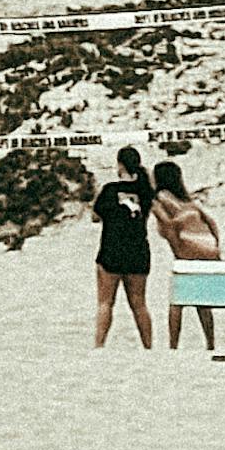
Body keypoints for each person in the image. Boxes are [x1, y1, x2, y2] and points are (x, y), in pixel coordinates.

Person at [149, 155, 221, 355]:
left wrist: (179, 252)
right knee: (202, 300)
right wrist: (217, 248)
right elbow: (212, 222)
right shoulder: (189, 201)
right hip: (208, 245)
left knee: (177, 299)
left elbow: (170, 227)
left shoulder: (163, 197)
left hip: (190, 247)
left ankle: (173, 346)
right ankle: (210, 343)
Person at [91, 144, 156, 351]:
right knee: (139, 304)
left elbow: (95, 215)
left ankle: (99, 345)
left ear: (120, 165)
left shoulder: (110, 190)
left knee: (105, 302)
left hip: (111, 250)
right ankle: (148, 346)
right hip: (137, 251)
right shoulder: (145, 191)